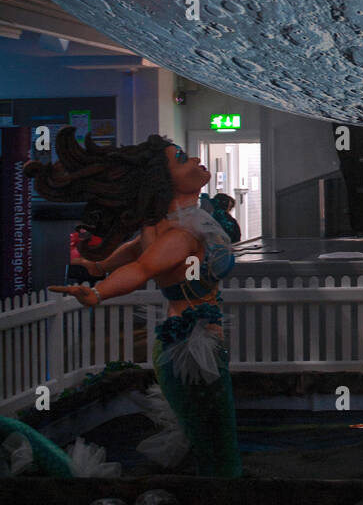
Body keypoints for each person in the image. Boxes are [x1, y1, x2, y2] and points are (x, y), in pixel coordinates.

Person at [25, 129, 242, 477]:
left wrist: (98, 267)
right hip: (189, 349)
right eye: (183, 159)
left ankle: (210, 502)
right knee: (216, 444)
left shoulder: (173, 227)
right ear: (163, 180)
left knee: (210, 439)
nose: (197, 161)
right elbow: (141, 269)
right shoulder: (180, 236)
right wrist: (98, 292)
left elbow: (130, 256)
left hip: (193, 344)